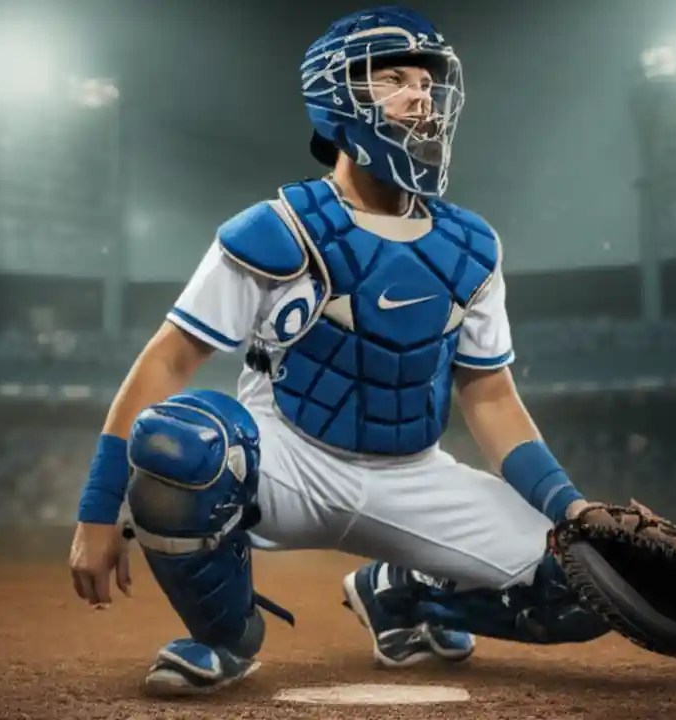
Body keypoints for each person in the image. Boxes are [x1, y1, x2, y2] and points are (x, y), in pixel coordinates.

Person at [68, 5, 609, 696]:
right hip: (289, 458)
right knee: (180, 443)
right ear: (336, 96)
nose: (422, 94)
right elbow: (166, 362)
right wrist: (96, 509)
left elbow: (492, 397)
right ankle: (224, 637)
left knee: (583, 586)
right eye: (394, 78)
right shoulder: (277, 228)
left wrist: (569, 509)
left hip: (414, 476)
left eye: (427, 81)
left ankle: (403, 595)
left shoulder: (473, 247)